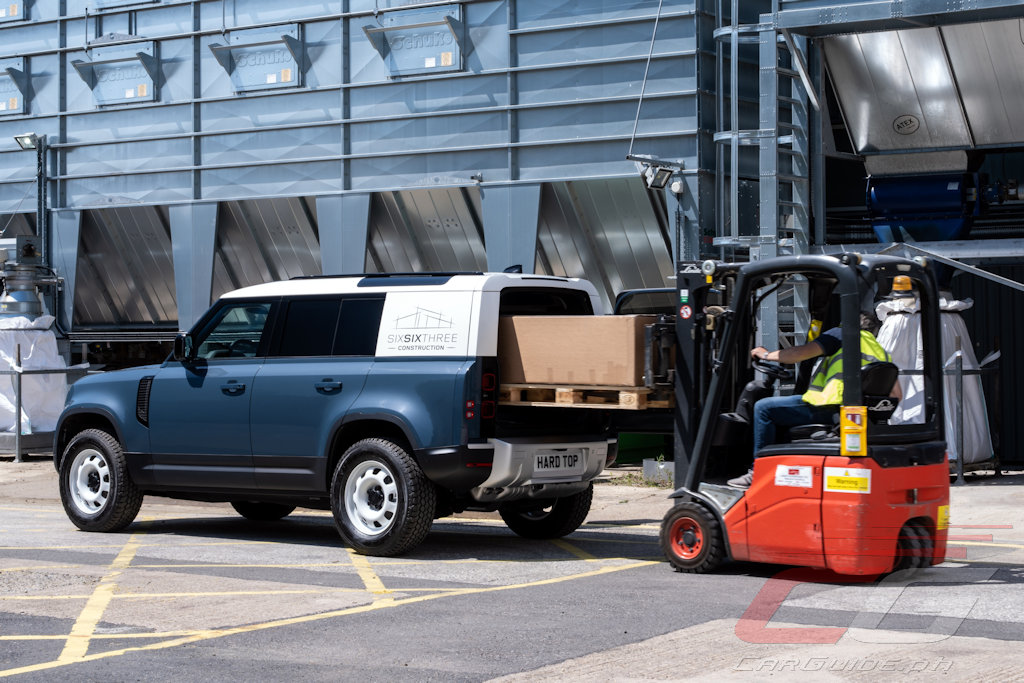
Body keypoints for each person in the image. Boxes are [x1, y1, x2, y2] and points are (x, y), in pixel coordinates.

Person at [726, 313, 898, 489]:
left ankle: (758, 473)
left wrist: (766, 354)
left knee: (764, 408)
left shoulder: (842, 334)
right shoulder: (881, 351)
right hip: (852, 415)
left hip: (830, 407)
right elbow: (896, 393)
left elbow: (799, 353)